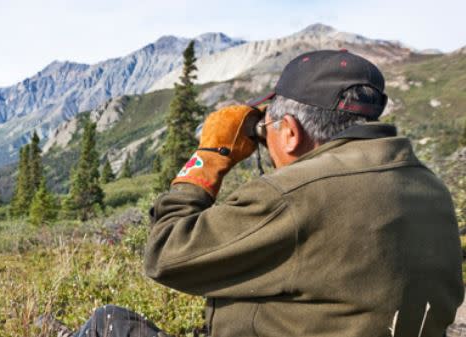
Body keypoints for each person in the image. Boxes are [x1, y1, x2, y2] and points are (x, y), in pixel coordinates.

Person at [65, 50, 464, 336]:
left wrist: (209, 156)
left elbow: (165, 254)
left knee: (109, 324)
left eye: (268, 128)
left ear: (290, 133)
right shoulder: (428, 185)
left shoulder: (295, 195)